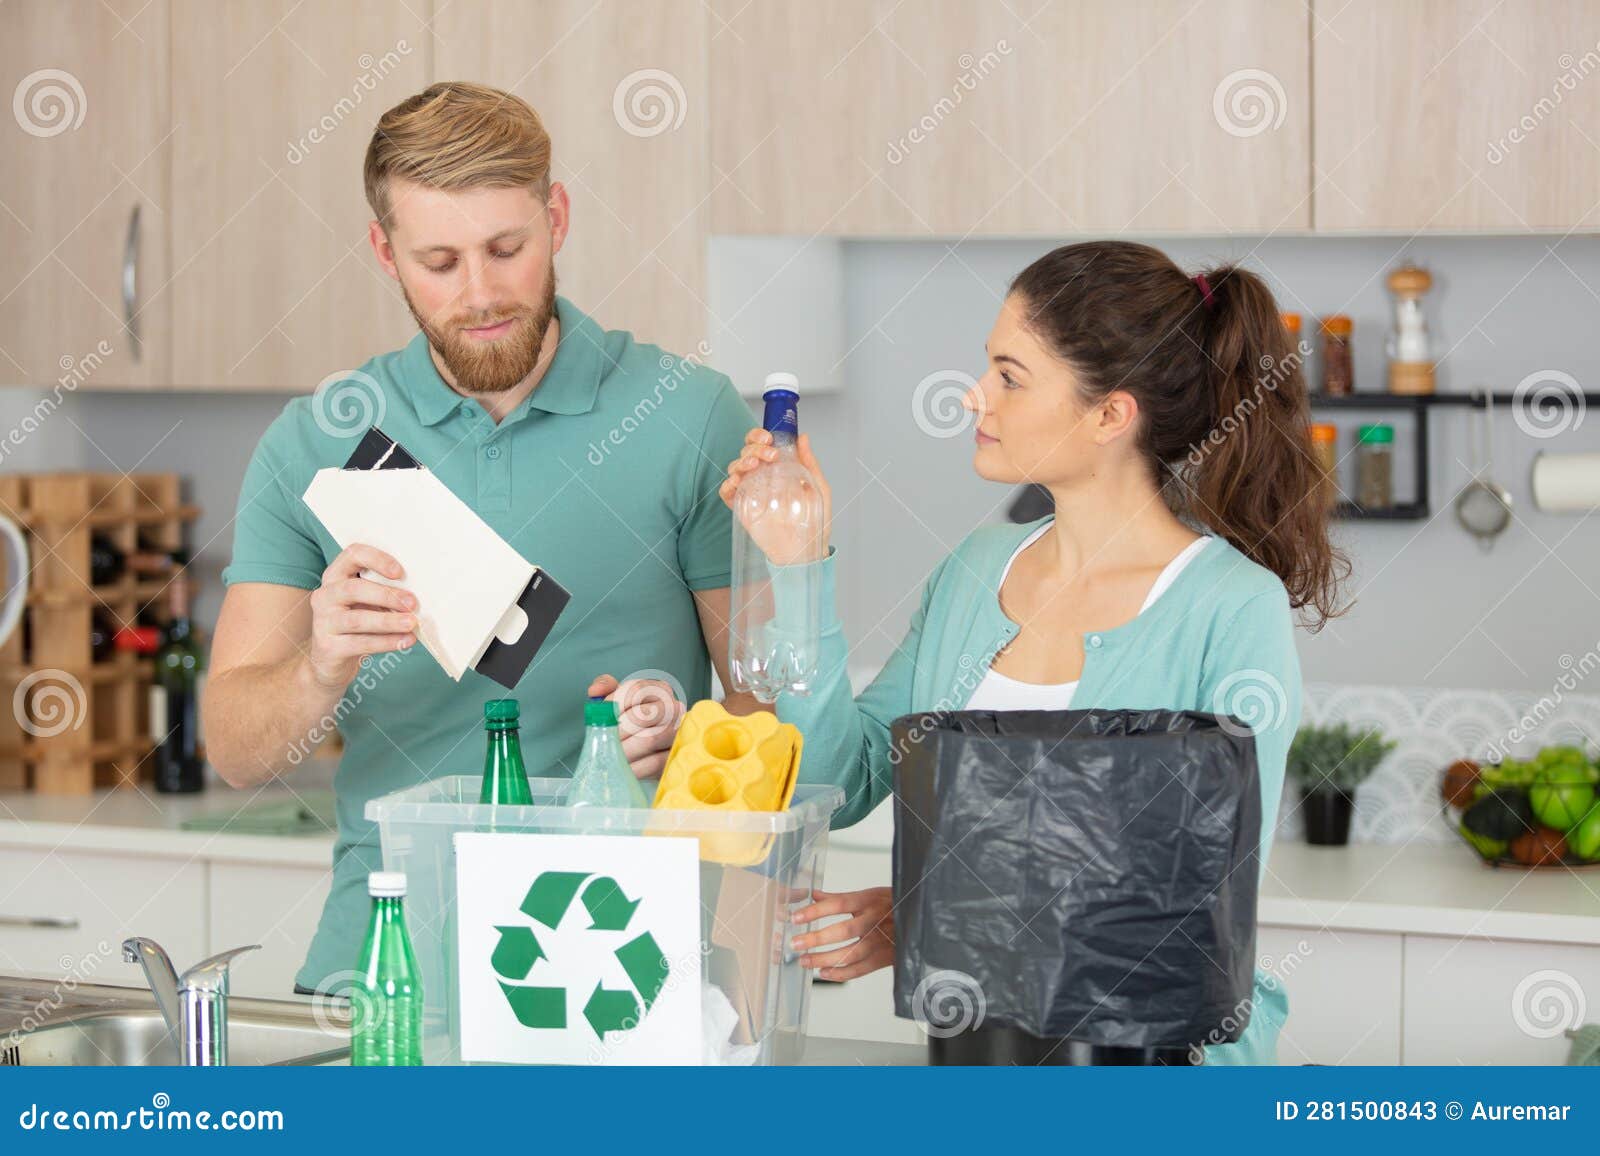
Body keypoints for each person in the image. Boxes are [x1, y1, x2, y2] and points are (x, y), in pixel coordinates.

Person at [720, 240, 1349, 1064]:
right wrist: (798, 562)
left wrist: (923, 915)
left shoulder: (1229, 608)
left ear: (1109, 415)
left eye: (1011, 376)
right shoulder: (978, 570)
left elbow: (1184, 915)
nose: (976, 396)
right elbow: (841, 780)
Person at [203, 82, 757, 996]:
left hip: (614, 967)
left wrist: (686, 736)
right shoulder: (314, 442)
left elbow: (767, 717)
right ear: (385, 253)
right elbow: (232, 749)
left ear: (557, 218)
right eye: (440, 261)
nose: (483, 294)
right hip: (382, 966)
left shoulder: (688, 416)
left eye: (507, 249)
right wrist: (319, 670)